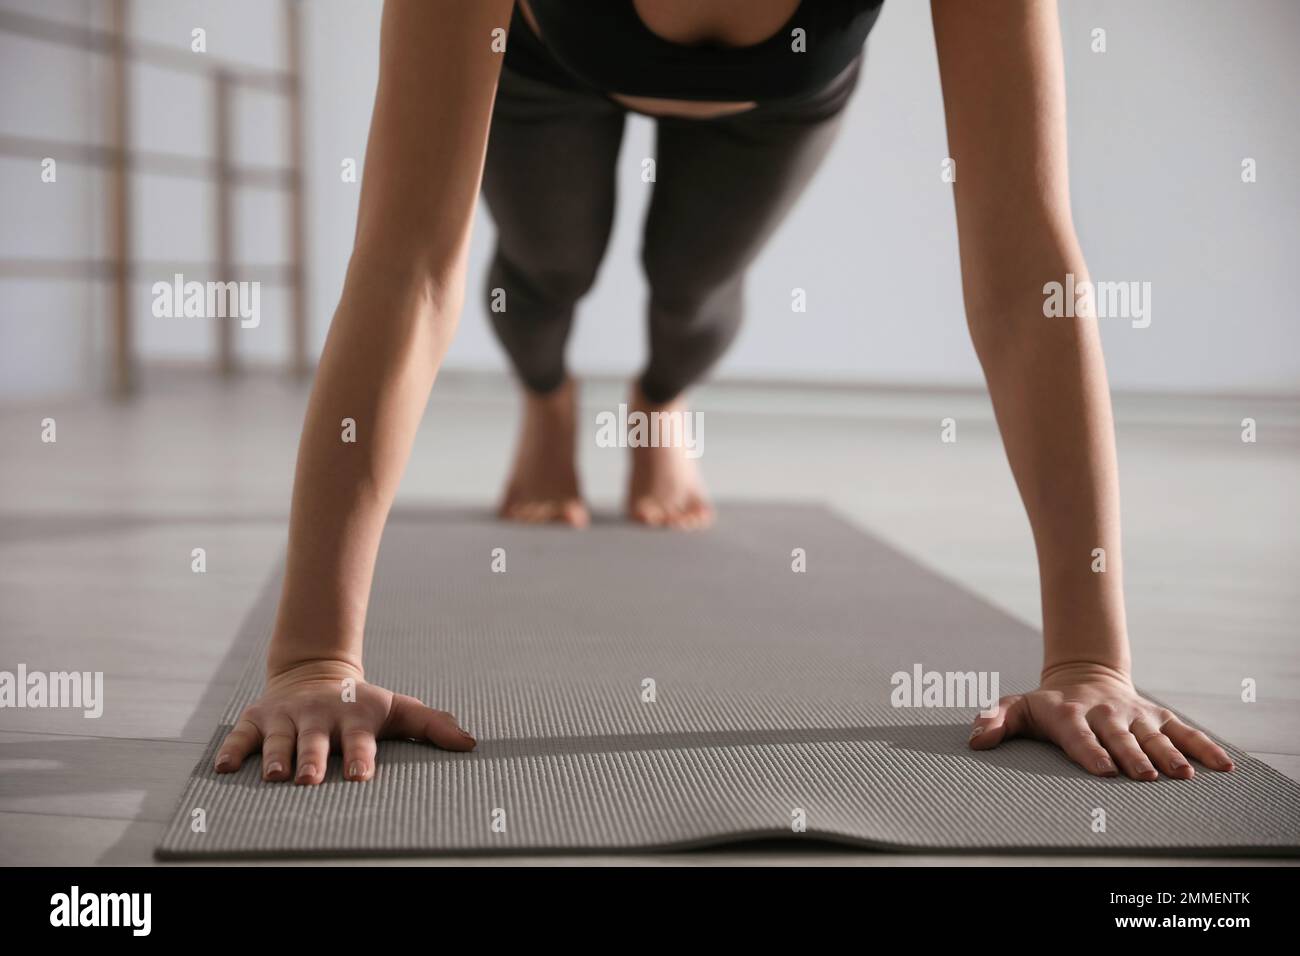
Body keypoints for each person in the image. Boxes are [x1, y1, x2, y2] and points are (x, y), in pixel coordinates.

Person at [212, 0, 1235, 788]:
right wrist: (313, 653)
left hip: (777, 93)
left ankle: (659, 400)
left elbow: (1025, 277)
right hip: (545, 61)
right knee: (545, 269)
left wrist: (1091, 654)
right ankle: (548, 400)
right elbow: (411, 268)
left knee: (694, 288)